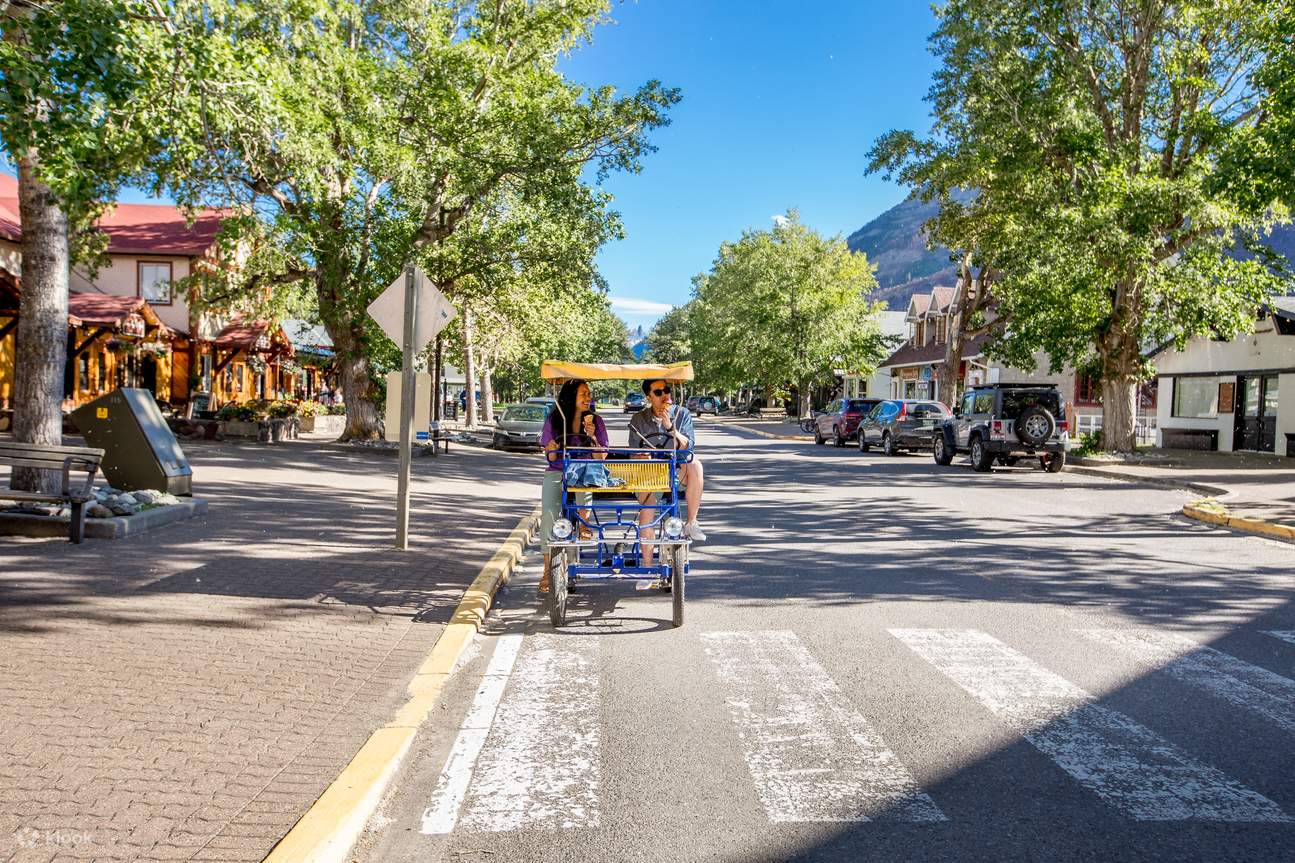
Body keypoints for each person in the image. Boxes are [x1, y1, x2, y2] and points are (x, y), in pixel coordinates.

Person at [539, 379, 608, 593]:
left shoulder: (596, 420)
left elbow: (602, 456)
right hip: (559, 469)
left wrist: (592, 436)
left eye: (589, 394)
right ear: (570, 398)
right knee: (549, 514)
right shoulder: (554, 419)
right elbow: (549, 456)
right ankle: (546, 570)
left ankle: (584, 524)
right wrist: (551, 448)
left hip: (586, 469)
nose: (588, 398)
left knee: (584, 487)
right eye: (583, 394)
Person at [628, 378, 706, 564]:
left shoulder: (682, 414)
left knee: (695, 464)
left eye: (667, 390)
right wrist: (641, 456)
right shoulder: (638, 419)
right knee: (648, 509)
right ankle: (647, 567)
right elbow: (632, 452)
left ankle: (691, 523)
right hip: (649, 474)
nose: (665, 395)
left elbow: (688, 446)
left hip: (676, 469)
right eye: (658, 392)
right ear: (648, 397)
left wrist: (670, 427)